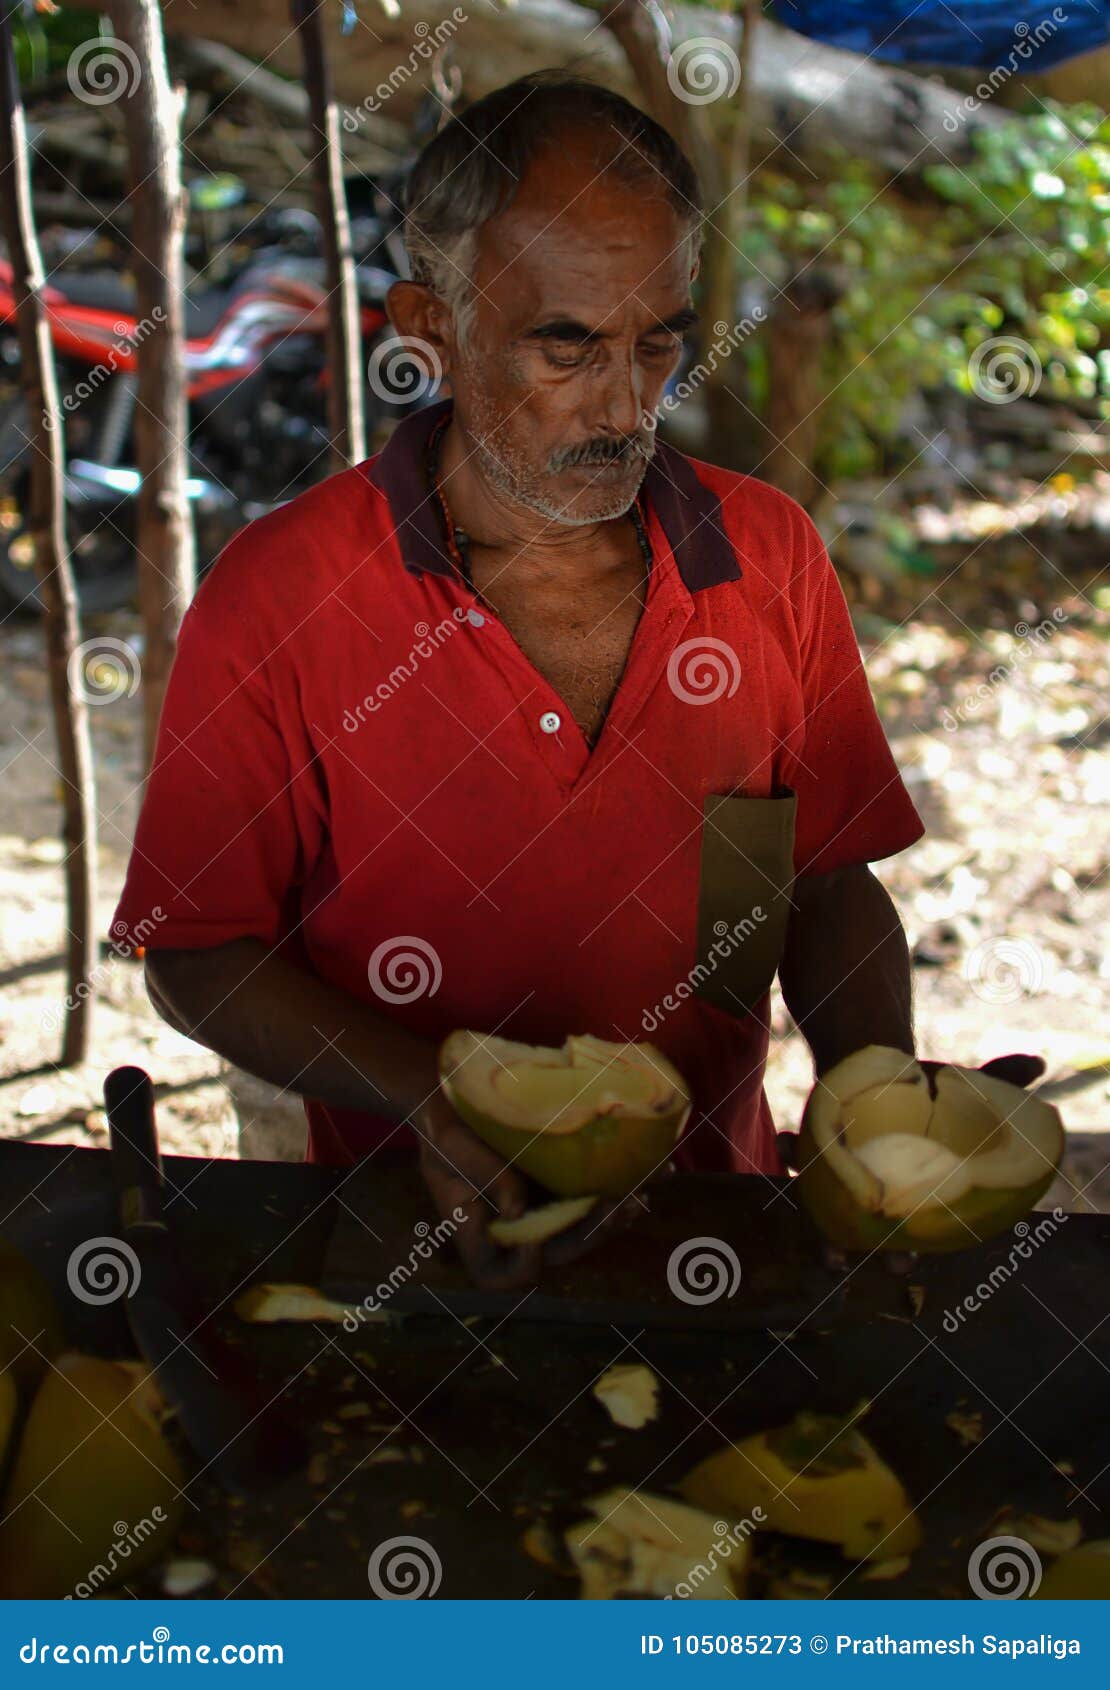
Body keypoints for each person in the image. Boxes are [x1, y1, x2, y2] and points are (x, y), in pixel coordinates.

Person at [113, 72, 1013, 1290]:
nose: (627, 402)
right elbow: (197, 946)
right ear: (428, 330)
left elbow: (815, 879)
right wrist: (430, 1100)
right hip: (412, 1243)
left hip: (717, 1239)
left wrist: (882, 1096)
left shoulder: (765, 561)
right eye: (566, 345)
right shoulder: (284, 592)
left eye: (660, 343)